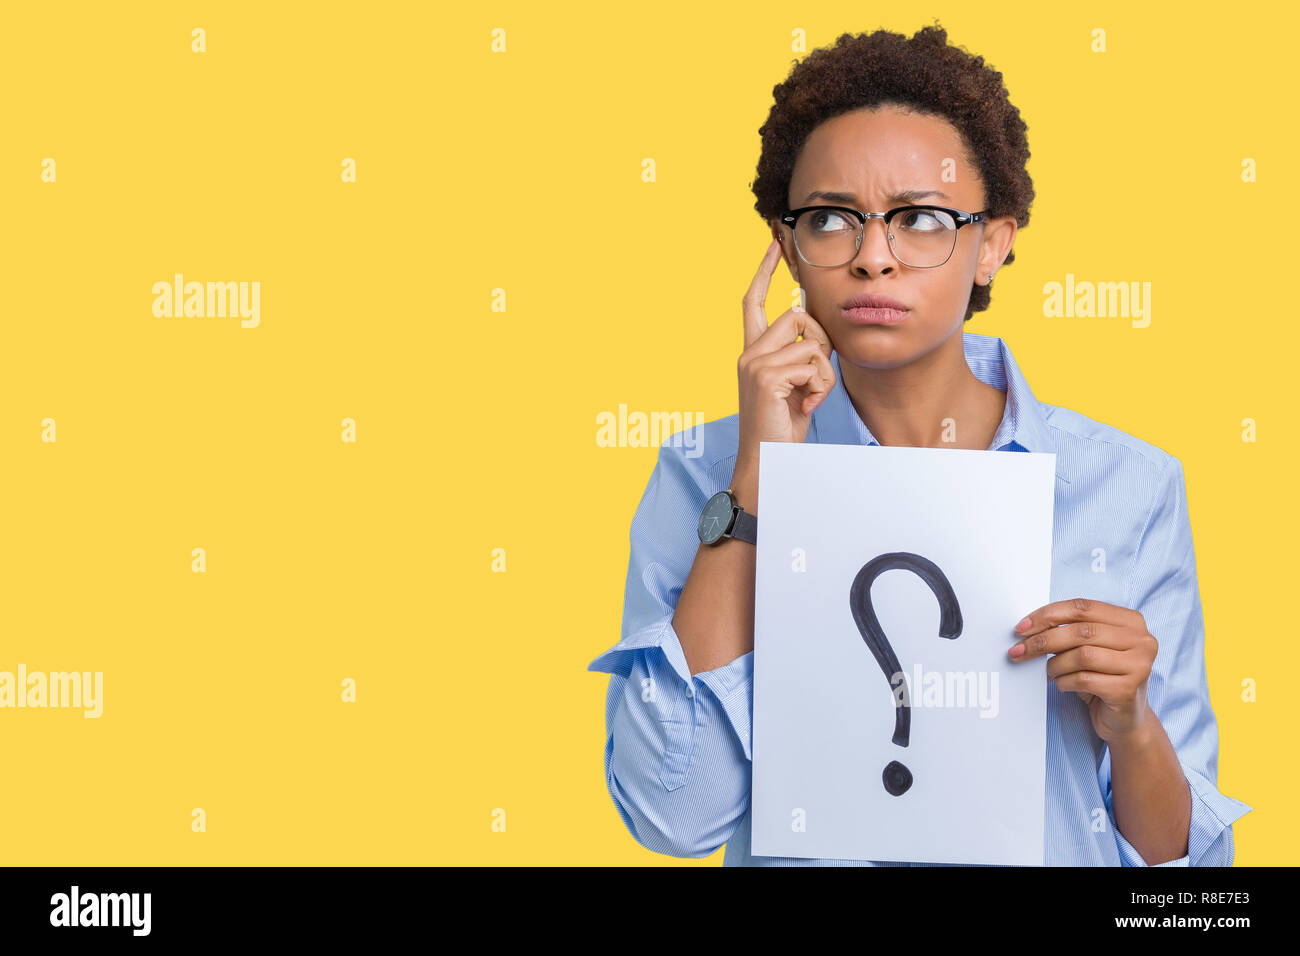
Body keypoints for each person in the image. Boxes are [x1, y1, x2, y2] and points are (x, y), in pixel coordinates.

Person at [587, 23, 1252, 866]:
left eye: (921, 219)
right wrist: (761, 479)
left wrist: (1131, 726)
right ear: (787, 244)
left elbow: (1190, 881)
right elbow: (674, 818)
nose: (873, 259)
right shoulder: (703, 477)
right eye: (831, 219)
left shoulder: (1126, 485)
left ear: (993, 245)